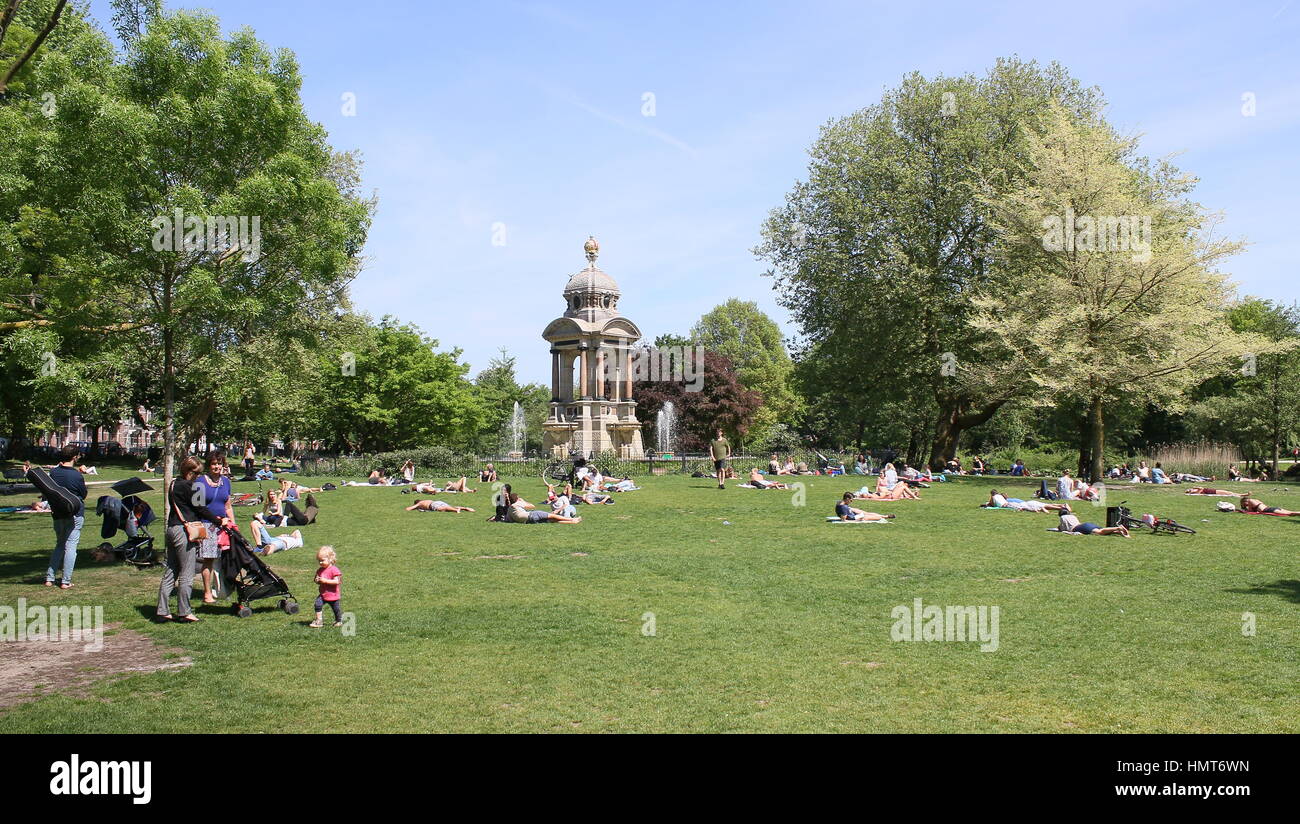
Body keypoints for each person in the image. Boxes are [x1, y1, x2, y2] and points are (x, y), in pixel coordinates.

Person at [157, 456, 211, 622]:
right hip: (184, 531)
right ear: (189, 471)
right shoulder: (192, 487)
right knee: (187, 573)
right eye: (197, 473)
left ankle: (162, 610)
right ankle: (184, 612)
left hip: (172, 528)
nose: (198, 477)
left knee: (171, 570)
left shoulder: (174, 483)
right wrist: (218, 520)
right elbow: (202, 508)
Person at [45, 444, 88, 589]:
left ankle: (49, 578)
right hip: (75, 513)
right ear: (75, 457)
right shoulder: (76, 474)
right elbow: (83, 494)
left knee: (59, 545)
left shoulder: (54, 473)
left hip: (58, 512)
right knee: (71, 546)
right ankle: (66, 581)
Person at [197, 450, 235, 602]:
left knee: (225, 558)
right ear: (209, 465)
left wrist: (233, 524)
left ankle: (222, 590)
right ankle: (207, 592)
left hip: (224, 526)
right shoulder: (200, 482)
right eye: (214, 464)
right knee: (209, 559)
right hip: (207, 525)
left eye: (219, 463)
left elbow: (228, 506)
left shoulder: (226, 481)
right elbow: (197, 506)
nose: (217, 466)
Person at [311, 546, 343, 628]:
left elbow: (337, 581)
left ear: (330, 559)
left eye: (322, 560)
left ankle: (338, 621)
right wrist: (317, 580)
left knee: (336, 609)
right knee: (317, 604)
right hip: (323, 594)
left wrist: (325, 581)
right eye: (319, 561)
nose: (320, 563)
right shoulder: (320, 570)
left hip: (333, 595)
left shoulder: (334, 570)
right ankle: (319, 621)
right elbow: (316, 580)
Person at [1058, 507, 1130, 536]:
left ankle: (1117, 528)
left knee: (1099, 532)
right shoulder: (1072, 516)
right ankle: (1119, 532)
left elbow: (1063, 528)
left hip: (1078, 528)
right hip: (1085, 525)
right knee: (1103, 531)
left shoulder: (1062, 517)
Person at [405, 499, 475, 513]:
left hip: (432, 505)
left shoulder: (419, 503)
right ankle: (464, 508)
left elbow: (408, 509)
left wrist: (415, 506)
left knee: (442, 509)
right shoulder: (426, 500)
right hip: (437, 501)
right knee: (449, 507)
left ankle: (456, 510)